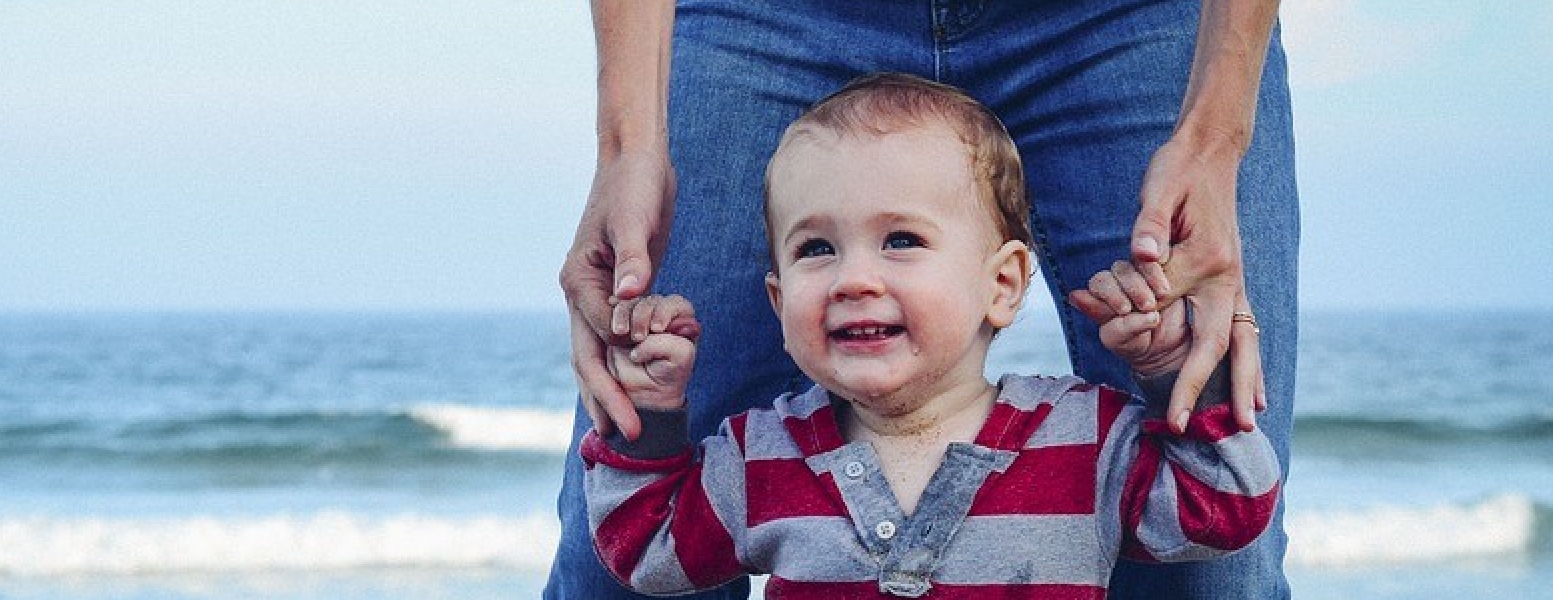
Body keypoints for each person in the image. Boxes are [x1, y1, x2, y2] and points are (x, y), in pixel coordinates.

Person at [550, 1, 1298, 598]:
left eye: (901, 240)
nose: (854, 279)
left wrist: (1171, 376)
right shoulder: (759, 460)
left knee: (1219, 584)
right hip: (769, 14)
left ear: (1003, 283)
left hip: (1124, 16)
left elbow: (1223, 510)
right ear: (777, 298)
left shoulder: (1085, 445)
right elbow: (644, 548)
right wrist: (652, 419)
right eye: (816, 249)